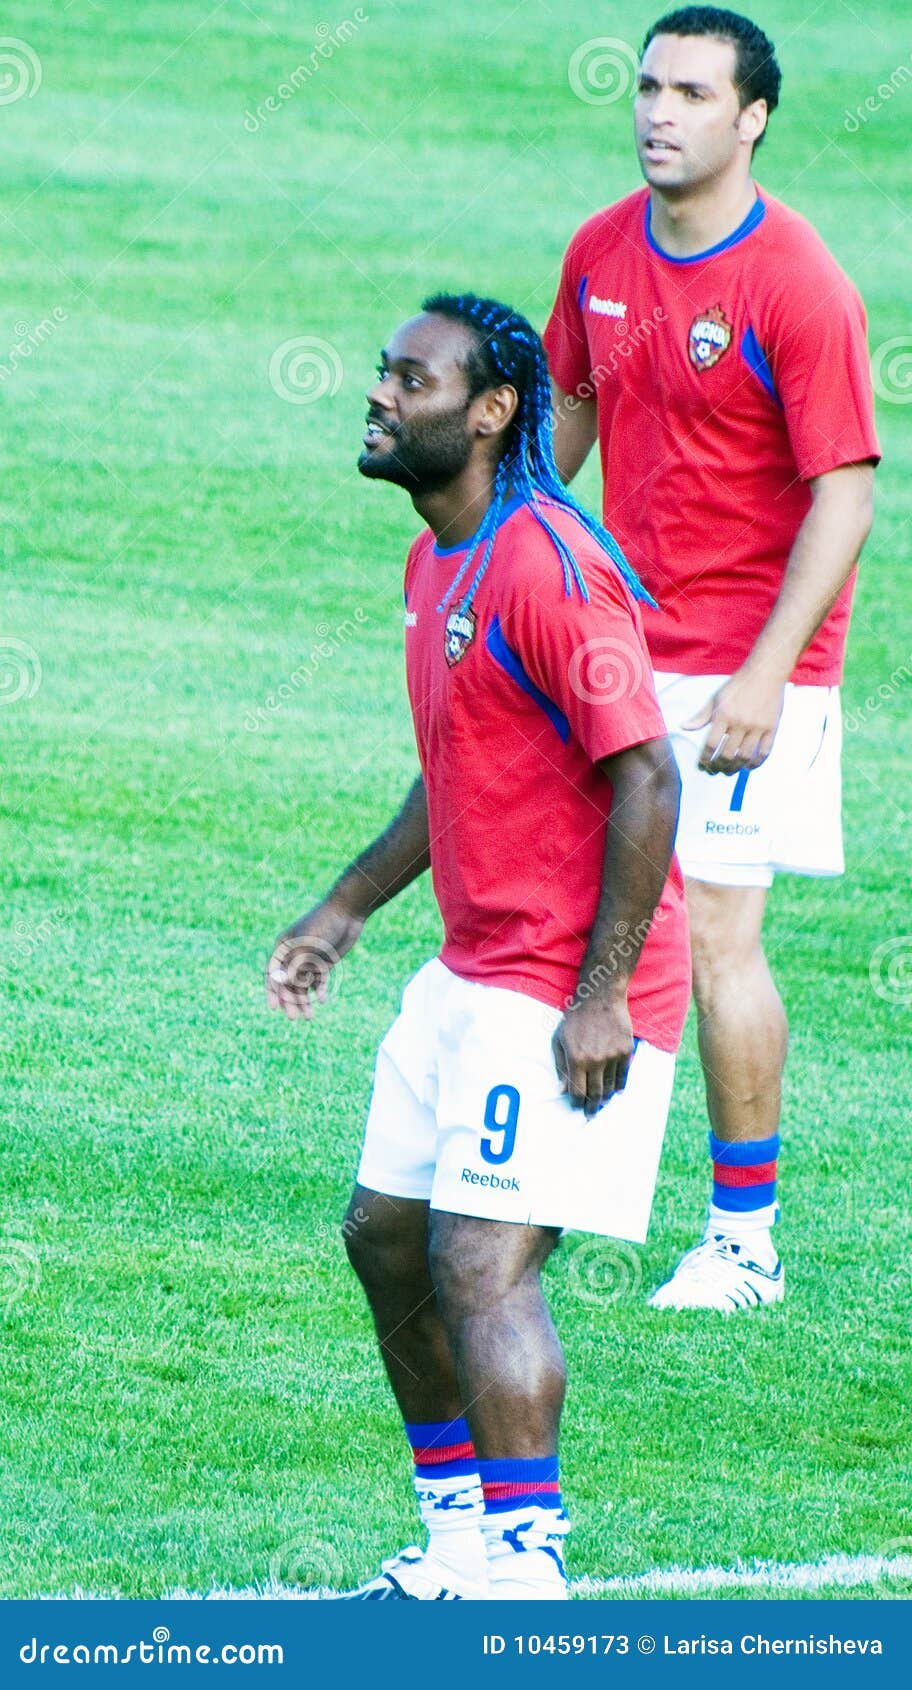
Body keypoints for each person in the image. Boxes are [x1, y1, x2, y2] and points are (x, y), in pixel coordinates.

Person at [266, 294, 691, 1599]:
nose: (381, 395)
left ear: (492, 409)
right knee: (385, 1234)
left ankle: (528, 1564)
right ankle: (456, 1541)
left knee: (476, 1257)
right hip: (472, 967)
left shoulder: (546, 567)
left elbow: (651, 779)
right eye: (384, 371)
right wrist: (344, 909)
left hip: (572, 982)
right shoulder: (438, 559)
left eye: (413, 379)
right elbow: (457, 773)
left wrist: (600, 994)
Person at [543, 5, 879, 1312]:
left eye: (690, 92)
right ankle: (574, 1185)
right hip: (623, 651)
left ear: (750, 121)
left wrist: (764, 676)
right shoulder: (599, 250)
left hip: (754, 666)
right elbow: (568, 408)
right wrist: (515, 553)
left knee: (719, 935)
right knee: (600, 915)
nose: (656, 112)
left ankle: (747, 1241)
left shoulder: (798, 281)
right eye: (646, 86)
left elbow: (844, 496)